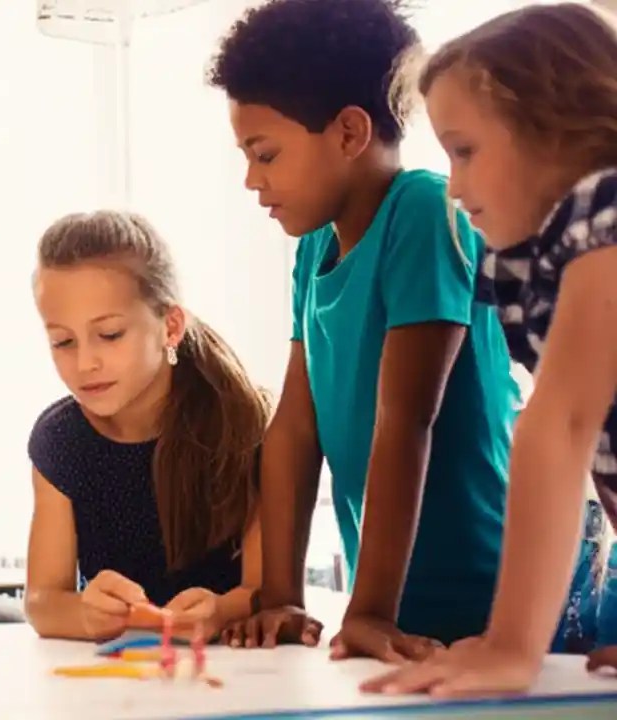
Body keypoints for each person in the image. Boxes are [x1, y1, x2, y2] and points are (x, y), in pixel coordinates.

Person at [207, 0, 523, 659]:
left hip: (486, 603)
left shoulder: (422, 212)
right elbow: (295, 428)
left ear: (350, 133)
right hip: (392, 610)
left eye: (264, 154)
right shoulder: (312, 248)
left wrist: (371, 611)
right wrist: (281, 598)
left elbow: (407, 418)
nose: (248, 179)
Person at [364, 2, 617, 697]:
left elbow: (562, 426)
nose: (453, 185)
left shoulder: (607, 211)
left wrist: (512, 646)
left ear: (556, 127)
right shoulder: (529, 267)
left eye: (465, 150)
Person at [23, 210, 269, 642]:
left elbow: (272, 590)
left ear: (170, 326)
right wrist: (85, 614)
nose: (85, 363)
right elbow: (42, 602)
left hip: (235, 677)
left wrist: (221, 611)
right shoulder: (59, 439)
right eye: (62, 341)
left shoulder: (246, 424)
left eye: (111, 334)